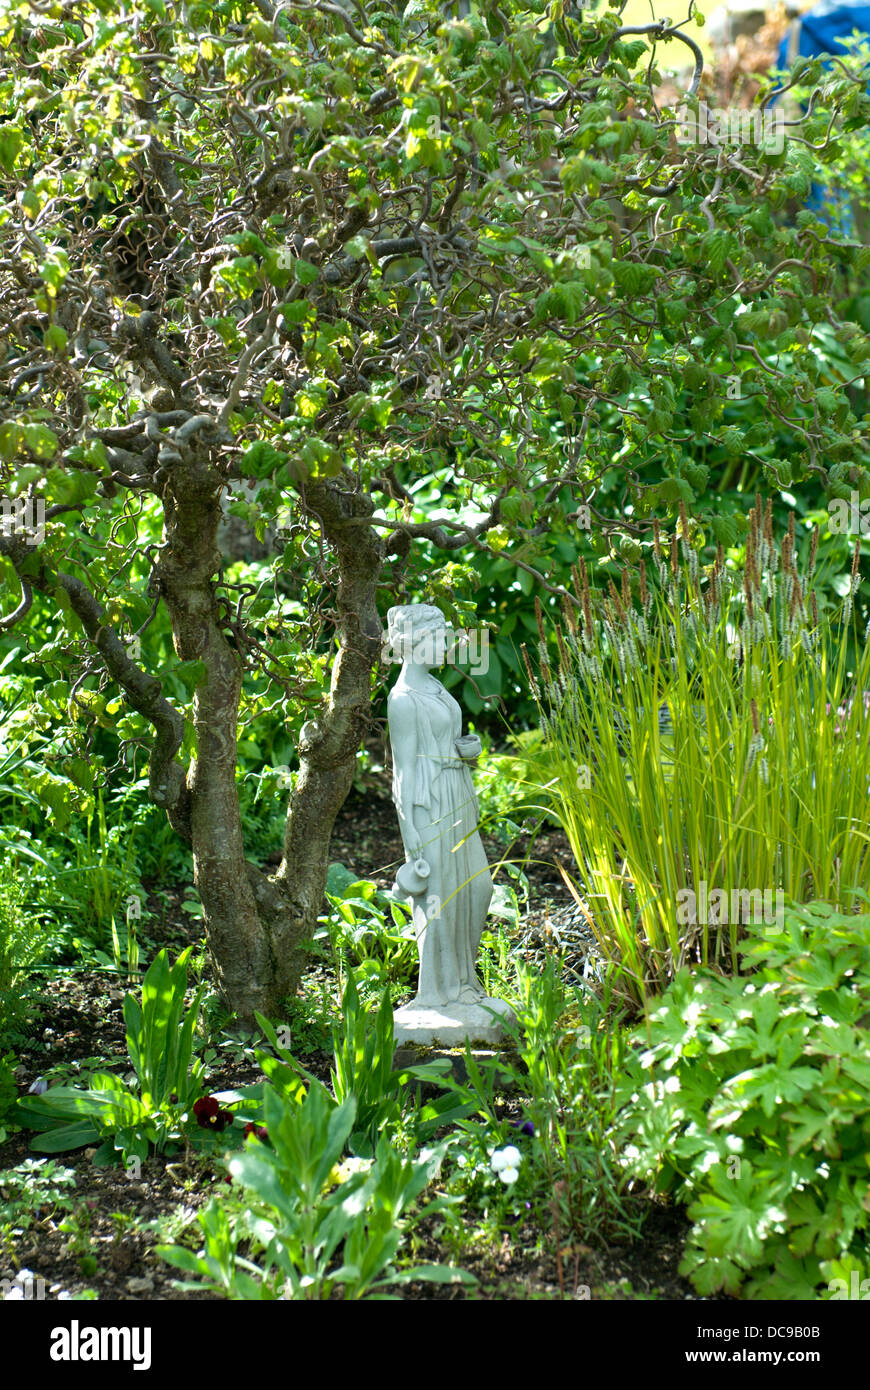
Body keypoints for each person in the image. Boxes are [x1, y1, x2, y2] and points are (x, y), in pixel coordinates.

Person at [386, 603, 493, 1007]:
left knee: (477, 887)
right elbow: (403, 771)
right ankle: (439, 992)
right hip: (429, 806)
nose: (447, 645)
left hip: (457, 797)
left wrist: (468, 753)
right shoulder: (403, 699)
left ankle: (464, 982)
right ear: (414, 643)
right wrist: (410, 835)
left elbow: (444, 741)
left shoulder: (435, 686)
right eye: (438, 638)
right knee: (438, 898)